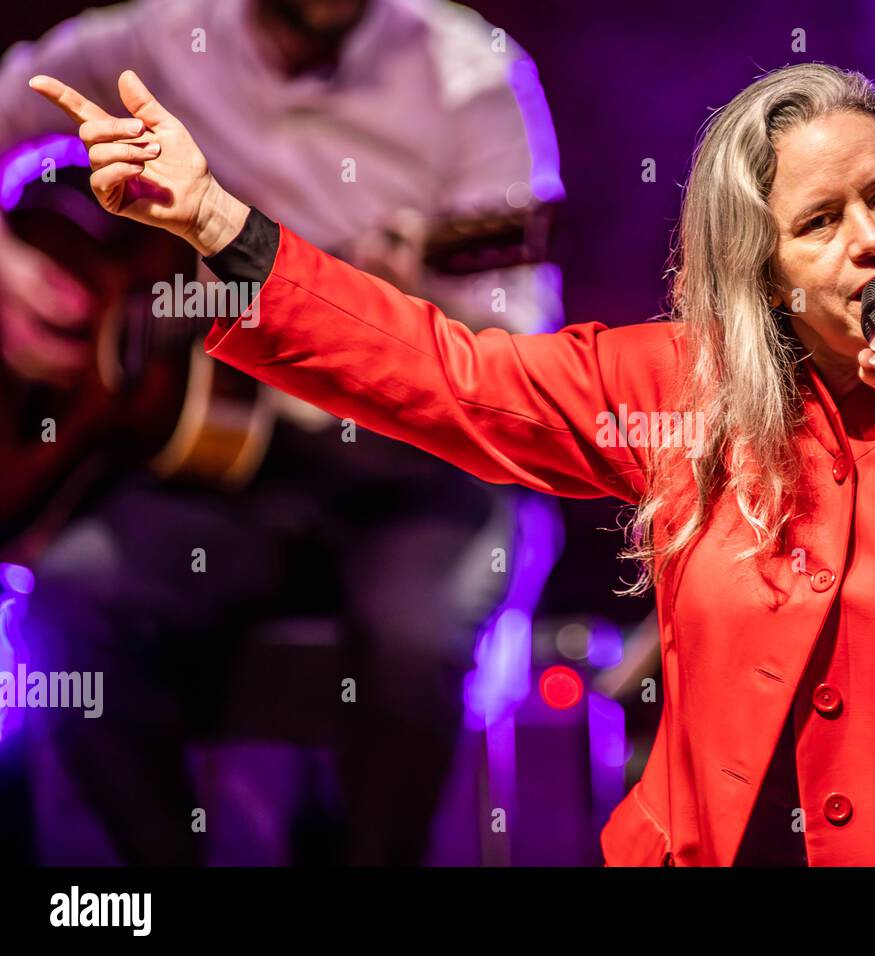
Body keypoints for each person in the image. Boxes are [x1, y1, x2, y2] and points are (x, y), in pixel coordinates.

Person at [28, 61, 875, 866]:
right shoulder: (686, 391)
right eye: (819, 220)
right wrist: (222, 224)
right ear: (763, 274)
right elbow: (447, 372)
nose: (870, 237)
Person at [3, 0, 563, 865]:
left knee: (418, 648)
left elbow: (521, 351)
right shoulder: (156, 37)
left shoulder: (470, 68)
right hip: (228, 472)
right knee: (71, 605)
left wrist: (398, 312)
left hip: (413, 472)